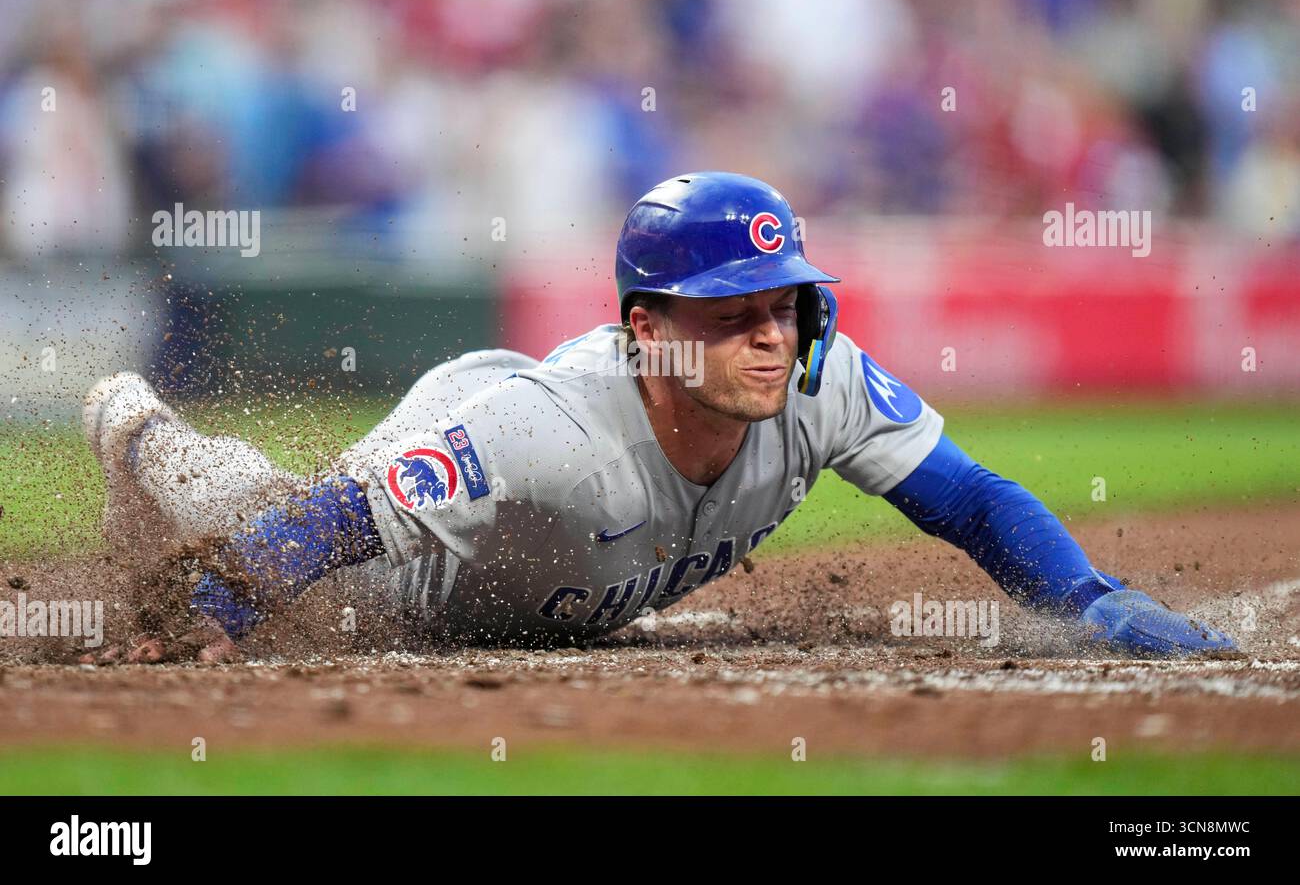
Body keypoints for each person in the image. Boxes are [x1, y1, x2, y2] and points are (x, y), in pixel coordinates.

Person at [83, 172, 1236, 663]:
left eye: (785, 305)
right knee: (247, 503)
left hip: (540, 497)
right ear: (651, 326)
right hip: (446, 495)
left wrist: (1086, 596)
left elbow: (972, 497)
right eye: (732, 314)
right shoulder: (541, 432)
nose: (771, 335)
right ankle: (134, 423)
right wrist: (222, 603)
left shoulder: (817, 380)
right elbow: (334, 515)